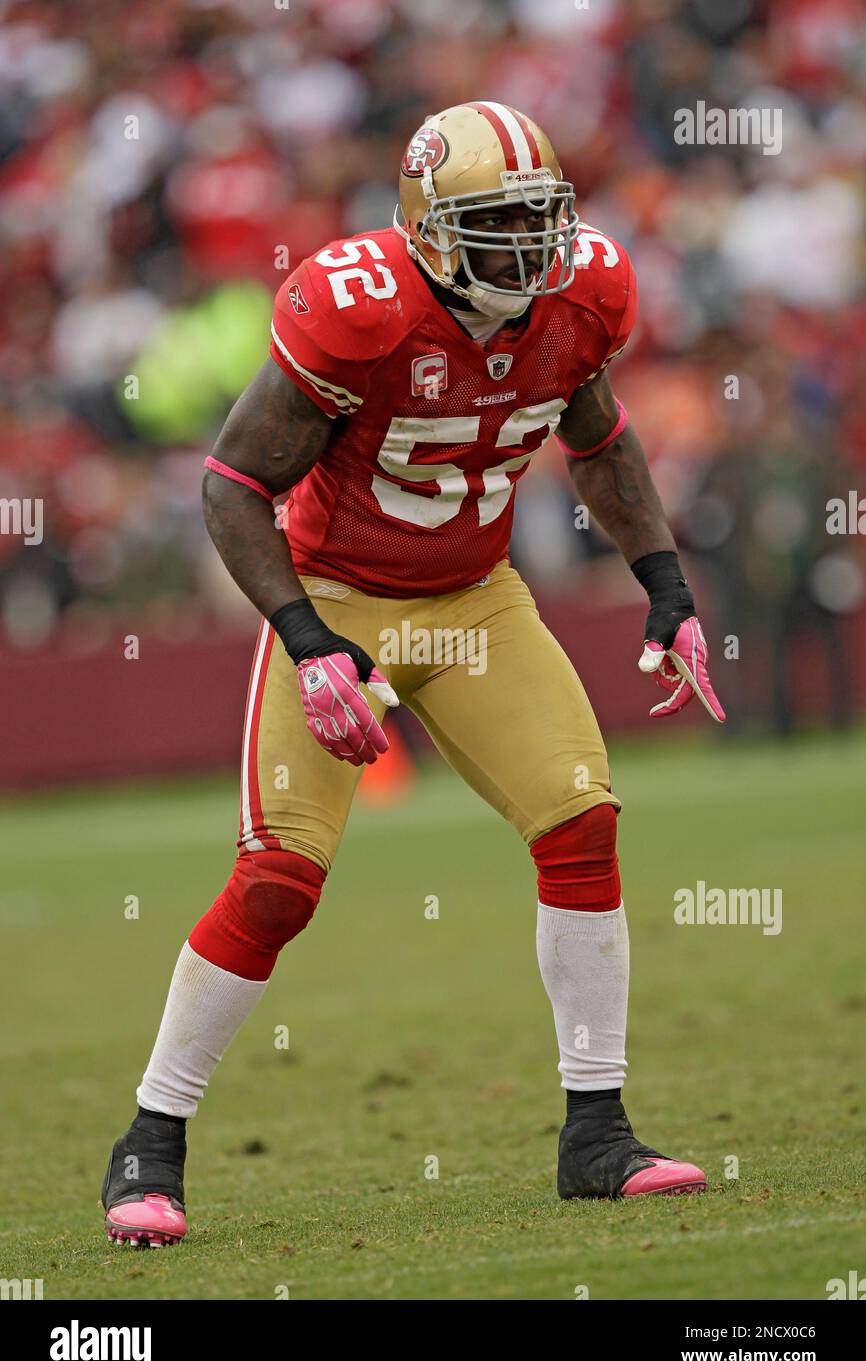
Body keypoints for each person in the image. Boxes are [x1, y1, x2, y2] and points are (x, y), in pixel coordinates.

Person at [101, 102, 724, 1246]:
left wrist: (665, 583)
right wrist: (303, 634)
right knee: (280, 877)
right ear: (431, 230)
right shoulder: (357, 310)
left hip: (476, 599)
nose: (528, 252)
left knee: (581, 823)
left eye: (541, 222)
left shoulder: (581, 295)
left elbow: (597, 437)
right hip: (337, 596)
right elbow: (231, 485)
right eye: (497, 227)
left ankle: (595, 1133)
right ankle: (151, 1138)